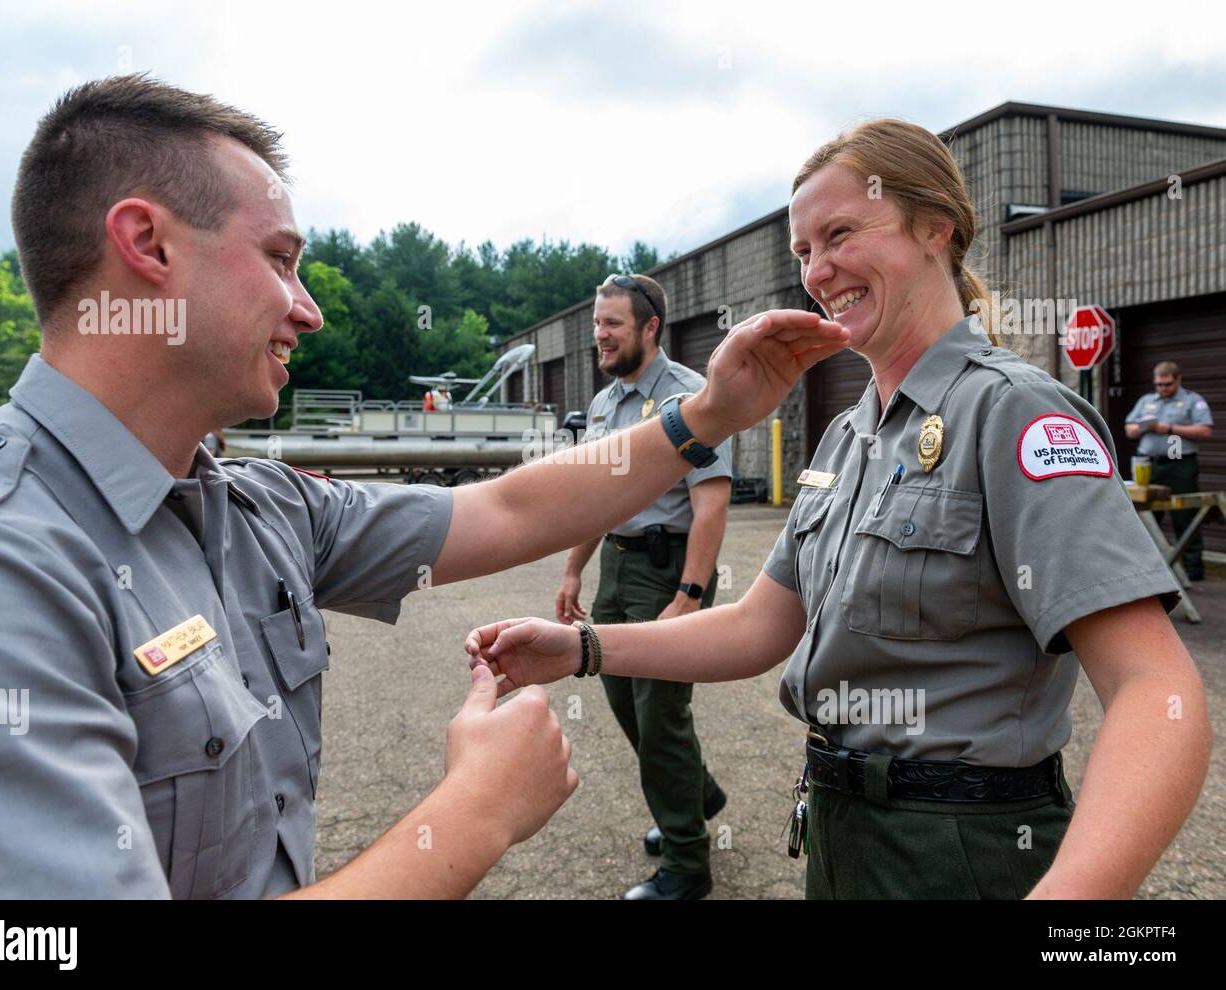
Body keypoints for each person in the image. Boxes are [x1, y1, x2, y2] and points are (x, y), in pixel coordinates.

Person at [0, 75, 848, 899]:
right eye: (280, 258)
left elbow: (503, 508)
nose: (309, 306)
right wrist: (474, 813)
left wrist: (708, 417)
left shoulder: (257, 510)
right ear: (146, 245)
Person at [466, 119, 1212, 899]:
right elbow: (761, 626)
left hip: (963, 852)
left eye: (840, 234)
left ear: (936, 229)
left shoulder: (1016, 415)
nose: (818, 271)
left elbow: (1155, 689)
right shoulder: (847, 437)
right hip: (841, 834)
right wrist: (578, 647)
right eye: (802, 253)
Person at [557, 273, 731, 900]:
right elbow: (598, 500)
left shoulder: (692, 398)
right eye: (596, 325)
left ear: (650, 329)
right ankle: (697, 795)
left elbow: (710, 506)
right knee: (626, 705)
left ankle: (686, 863)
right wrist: (576, 567)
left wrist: (689, 595)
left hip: (669, 571)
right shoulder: (605, 405)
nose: (598, 336)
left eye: (611, 325)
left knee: (662, 718)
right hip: (617, 572)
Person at [1124, 361, 1214, 580]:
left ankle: (1193, 568)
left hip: (1179, 464)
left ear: (1178, 379)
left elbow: (1205, 431)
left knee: (1185, 515)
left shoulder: (1192, 401)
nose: (1163, 389)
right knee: (1145, 516)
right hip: (1149, 464)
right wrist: (1145, 426)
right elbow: (1130, 429)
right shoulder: (1146, 401)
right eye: (1159, 385)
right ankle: (1147, 568)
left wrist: (1170, 429)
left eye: (1167, 384)